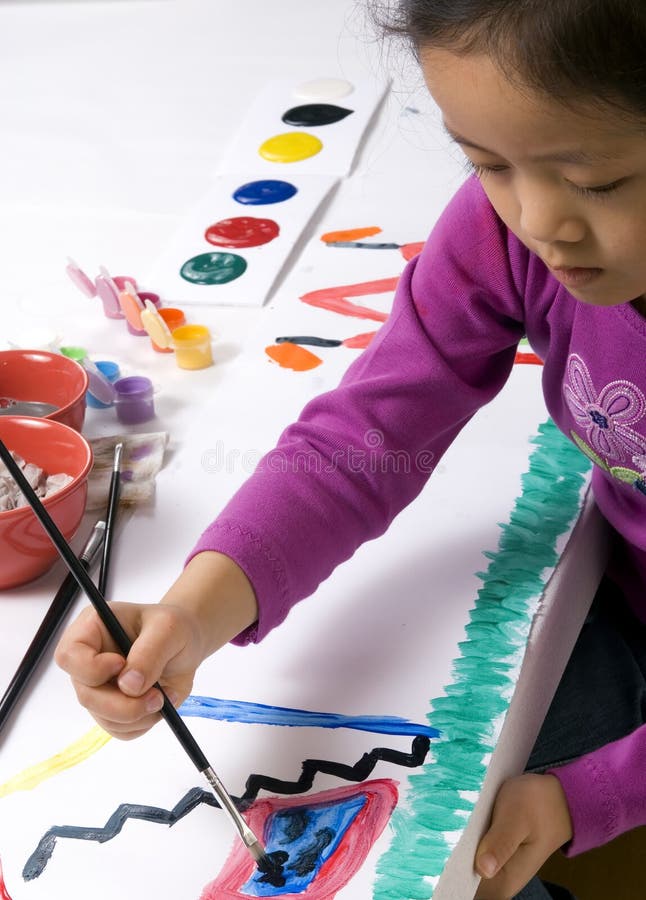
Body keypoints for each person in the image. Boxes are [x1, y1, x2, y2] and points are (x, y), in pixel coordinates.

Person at [56, 1, 646, 897]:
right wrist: (196, 611)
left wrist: (594, 796)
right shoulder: (507, 228)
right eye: (485, 163)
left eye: (596, 181)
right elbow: (370, 435)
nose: (540, 223)